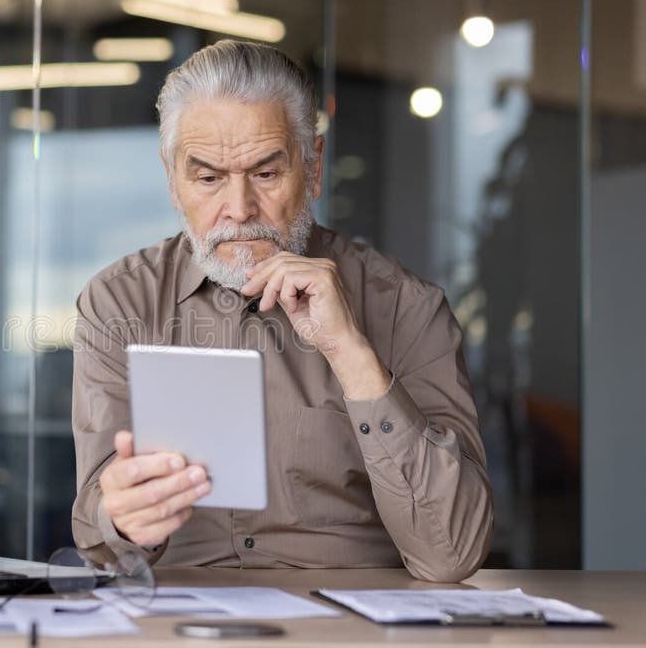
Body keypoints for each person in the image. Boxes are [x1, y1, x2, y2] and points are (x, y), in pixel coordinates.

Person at [70, 40, 493, 583]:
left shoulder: (406, 308)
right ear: (172, 180)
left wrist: (351, 353)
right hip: (180, 619)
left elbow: (452, 554)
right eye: (208, 178)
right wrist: (123, 522)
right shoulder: (118, 303)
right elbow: (99, 547)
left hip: (351, 626)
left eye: (266, 175)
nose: (240, 209)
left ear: (312, 169)